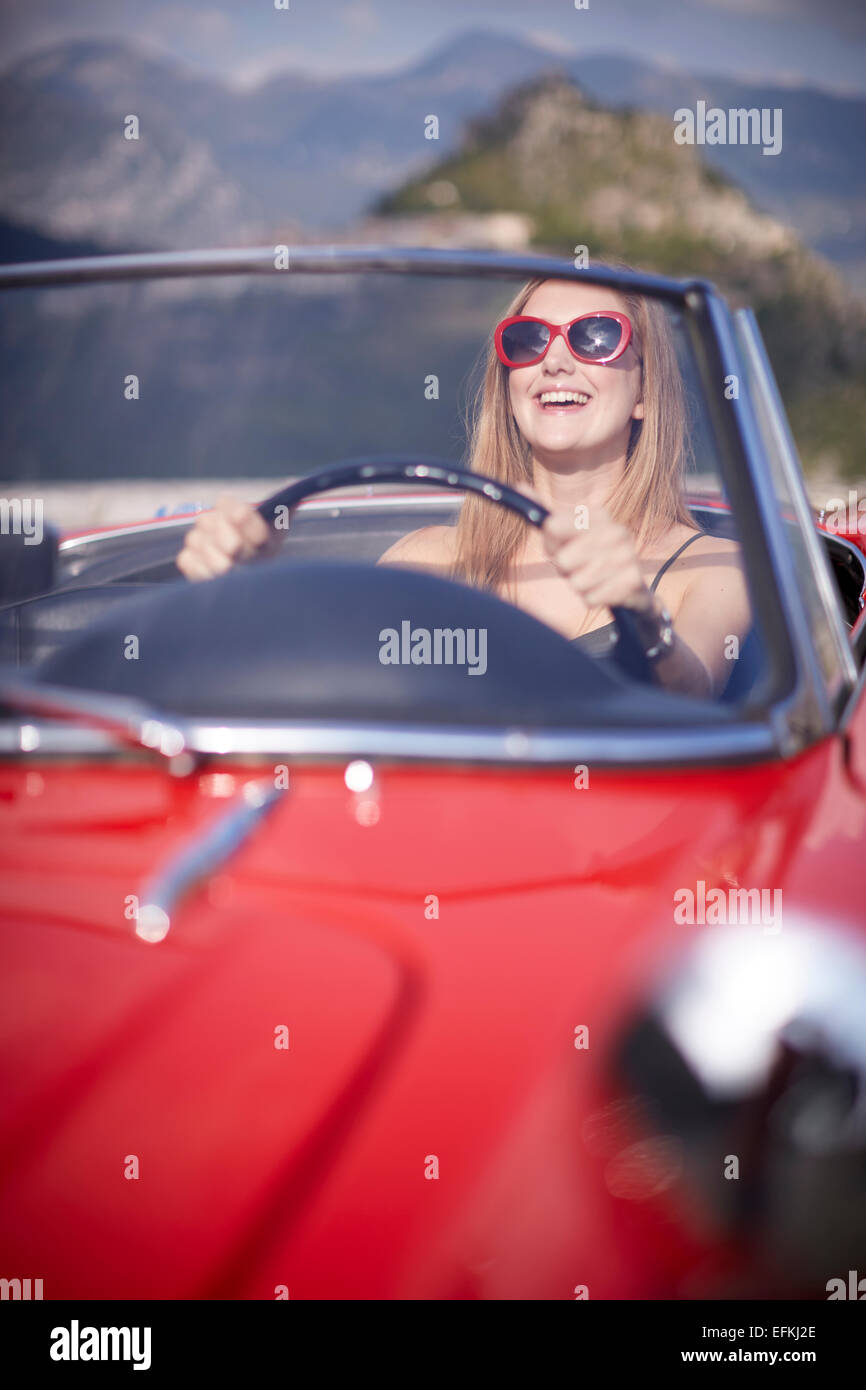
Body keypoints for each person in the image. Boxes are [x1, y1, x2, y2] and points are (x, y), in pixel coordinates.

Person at [177, 274, 750, 696]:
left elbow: (693, 693)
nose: (553, 361)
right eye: (527, 339)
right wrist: (243, 588)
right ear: (509, 386)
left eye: (594, 337)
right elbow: (322, 682)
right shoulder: (427, 559)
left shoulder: (713, 567)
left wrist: (640, 614)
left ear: (646, 391)